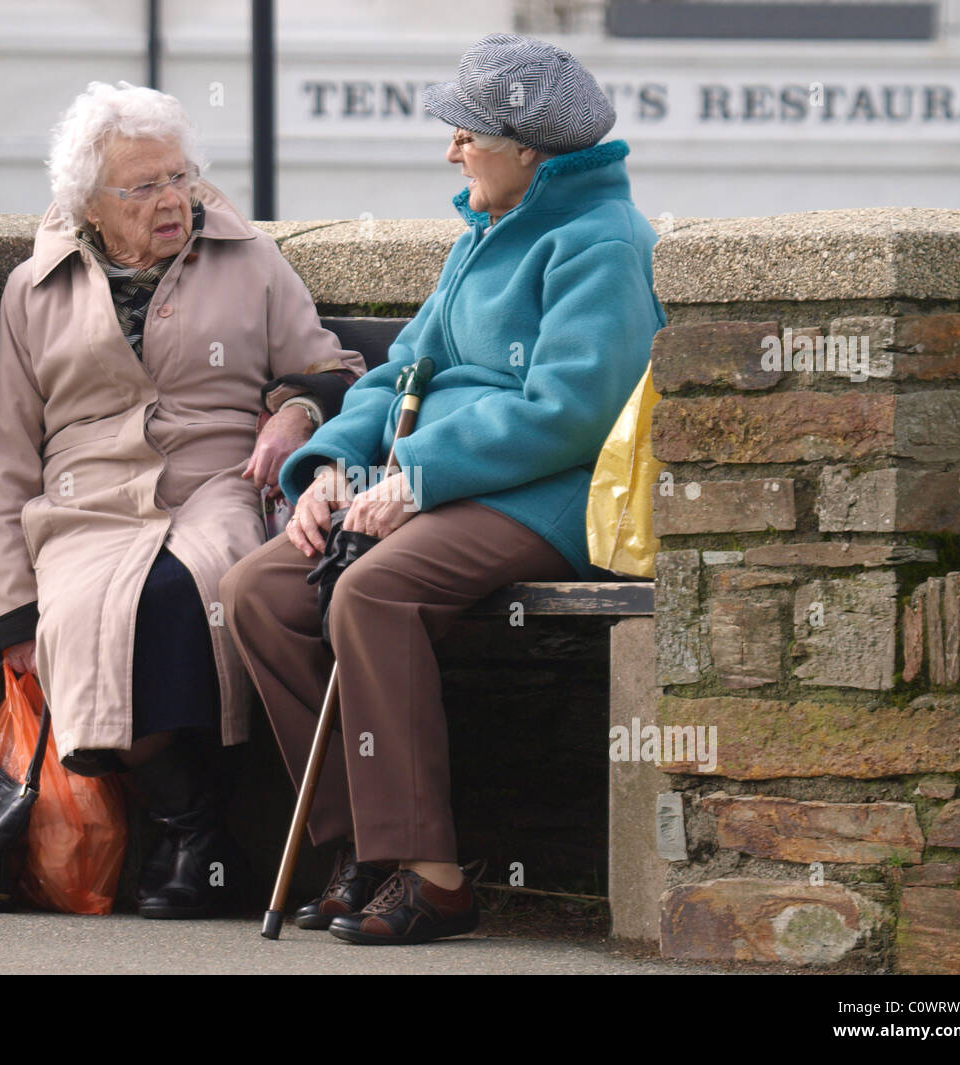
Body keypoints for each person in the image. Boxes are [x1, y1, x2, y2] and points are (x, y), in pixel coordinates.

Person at [220, 34, 667, 945]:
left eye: (466, 133)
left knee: (374, 589)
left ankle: (433, 873)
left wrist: (419, 479)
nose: (450, 150)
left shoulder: (603, 242)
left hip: (545, 495)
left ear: (529, 150)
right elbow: (398, 376)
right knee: (258, 591)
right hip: (441, 486)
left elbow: (567, 413)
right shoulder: (482, 230)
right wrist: (331, 466)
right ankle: (363, 851)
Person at [0, 81, 364, 918]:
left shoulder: (249, 258)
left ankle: (195, 844)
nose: (172, 200)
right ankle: (196, 833)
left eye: (179, 177)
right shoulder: (33, 290)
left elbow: (330, 370)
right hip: (86, 504)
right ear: (90, 203)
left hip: (218, 482)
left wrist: (294, 413)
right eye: (143, 187)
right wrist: (9, 614)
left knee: (197, 588)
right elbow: (3, 456)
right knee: (79, 615)